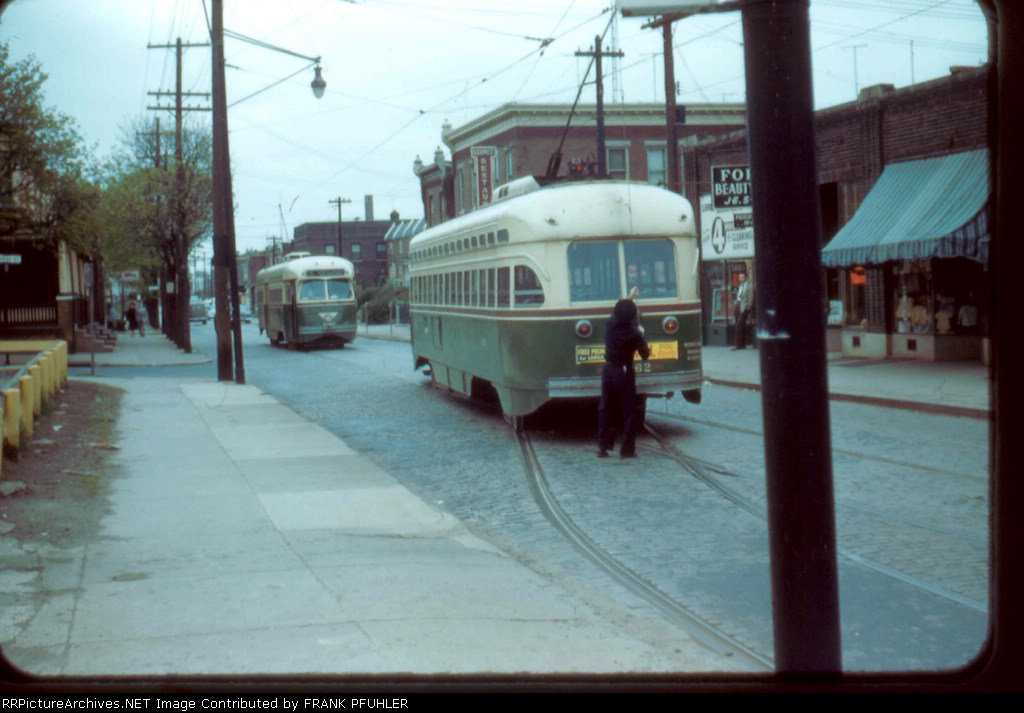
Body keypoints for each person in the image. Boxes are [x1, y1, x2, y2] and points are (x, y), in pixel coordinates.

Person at [597, 295, 650, 459]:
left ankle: (603, 447)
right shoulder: (634, 333)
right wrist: (642, 335)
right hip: (624, 371)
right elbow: (645, 355)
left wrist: (629, 297)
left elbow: (616, 314)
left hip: (608, 370)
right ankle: (627, 449)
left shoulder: (609, 325)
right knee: (628, 411)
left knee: (606, 408)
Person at [732, 272, 753, 350]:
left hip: (744, 307)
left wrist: (748, 307)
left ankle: (737, 345)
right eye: (740, 277)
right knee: (740, 325)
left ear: (746, 277)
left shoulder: (749, 286)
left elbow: (750, 297)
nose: (741, 279)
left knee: (739, 325)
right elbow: (739, 296)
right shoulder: (740, 285)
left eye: (742, 277)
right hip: (738, 305)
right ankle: (742, 345)